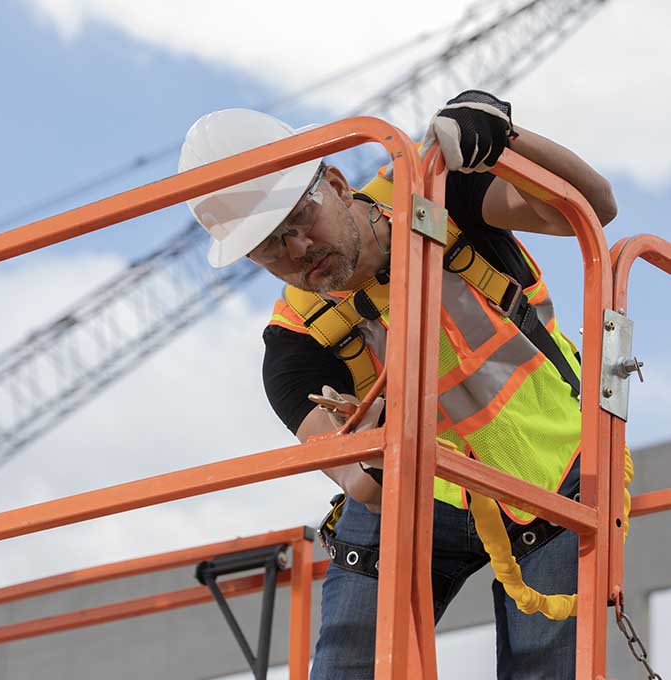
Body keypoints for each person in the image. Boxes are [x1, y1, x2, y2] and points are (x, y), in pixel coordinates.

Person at [178, 92, 617, 680]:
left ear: (336, 185)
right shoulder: (293, 343)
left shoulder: (435, 189)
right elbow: (360, 483)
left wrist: (504, 141)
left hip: (548, 465)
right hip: (416, 497)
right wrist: (374, 450)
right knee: (348, 668)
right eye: (271, 247)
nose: (298, 249)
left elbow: (594, 207)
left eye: (300, 220)